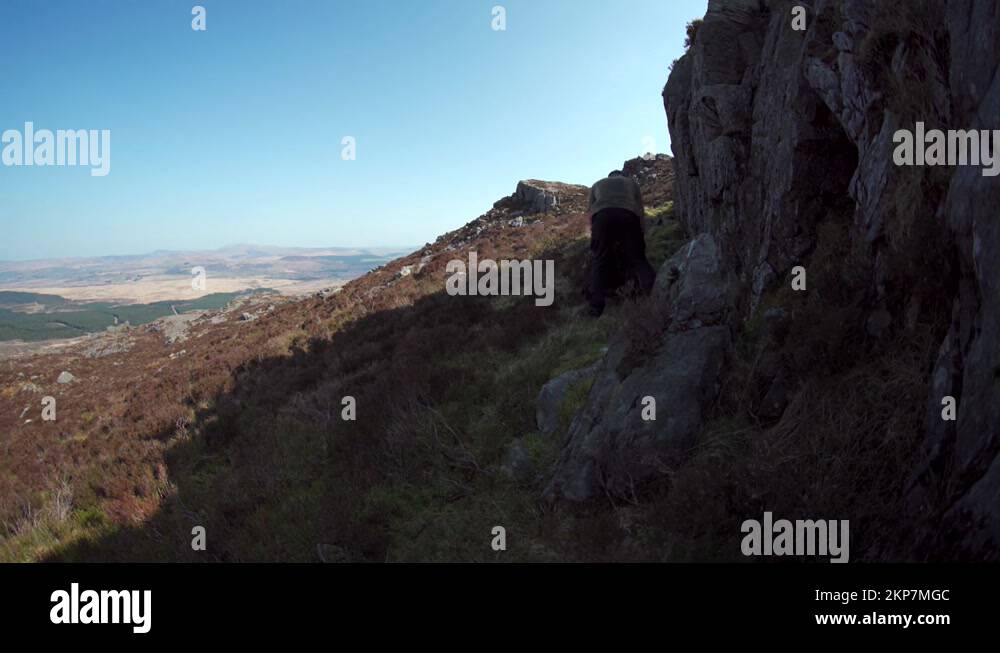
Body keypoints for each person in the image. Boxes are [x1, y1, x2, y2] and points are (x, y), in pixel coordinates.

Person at [586, 171, 657, 317]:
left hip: (602, 217)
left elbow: (590, 211)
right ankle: (654, 293)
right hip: (628, 215)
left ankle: (596, 307)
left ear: (609, 176)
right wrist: (641, 232)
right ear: (622, 175)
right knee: (638, 258)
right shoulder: (631, 183)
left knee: (599, 260)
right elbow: (640, 208)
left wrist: (595, 235)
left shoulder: (597, 184)